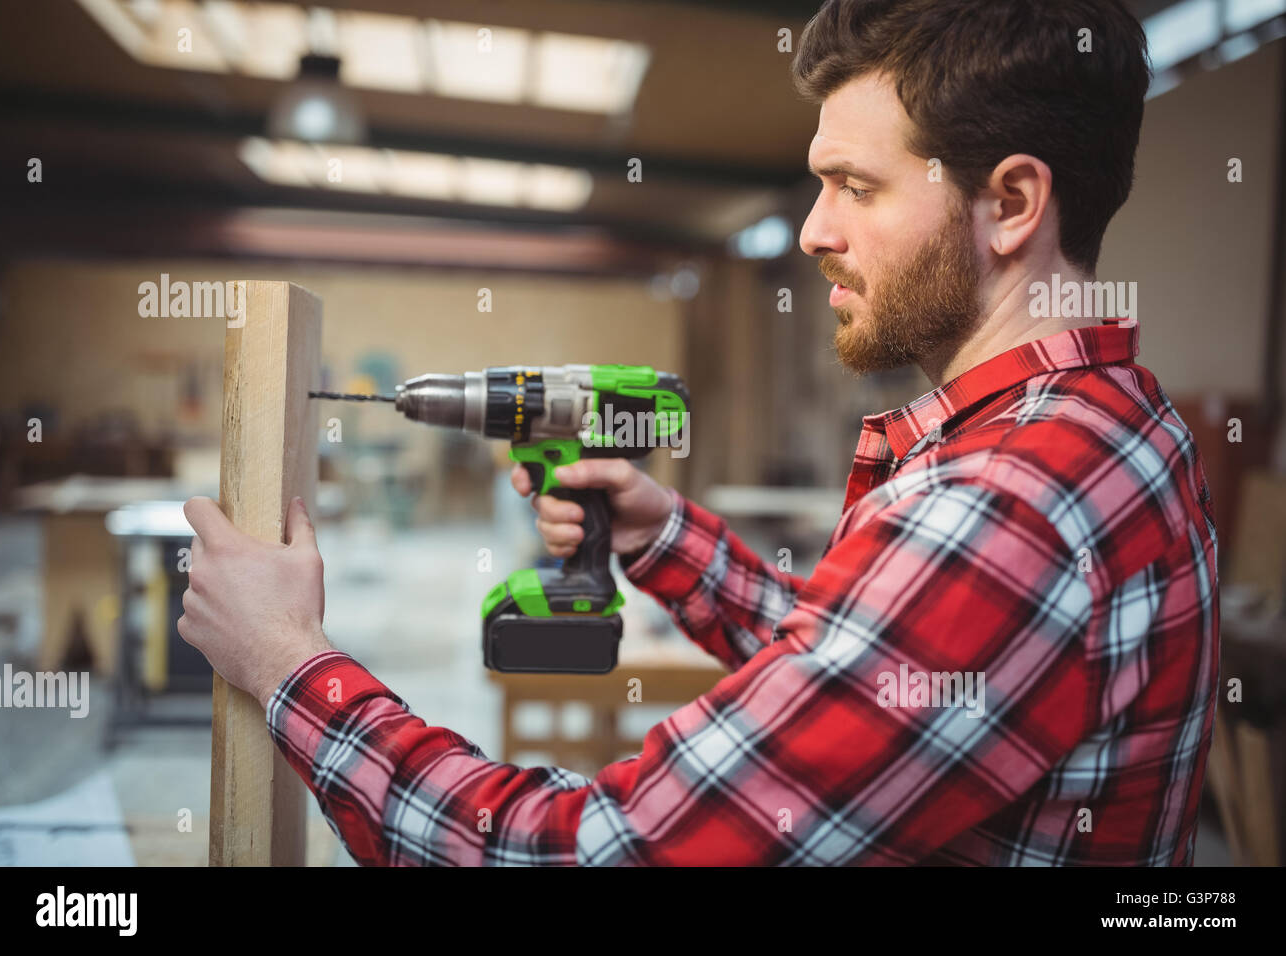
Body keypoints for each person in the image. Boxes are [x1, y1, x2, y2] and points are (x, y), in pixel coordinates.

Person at [180, 0, 1219, 865]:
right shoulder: (1123, 425)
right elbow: (876, 683)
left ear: (1010, 202)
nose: (813, 229)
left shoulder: (1006, 507)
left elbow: (595, 850)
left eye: (854, 186)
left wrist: (285, 661)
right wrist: (663, 535)